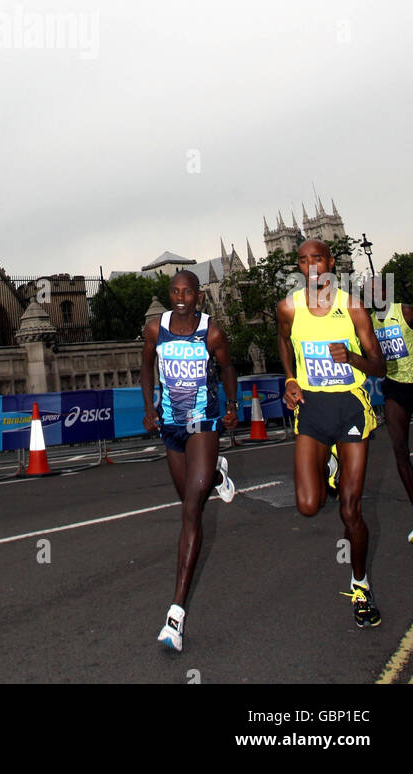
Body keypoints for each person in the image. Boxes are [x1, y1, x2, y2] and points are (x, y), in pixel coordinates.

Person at [276, 240, 385, 628]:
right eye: (303, 261)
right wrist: (289, 378)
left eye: (316, 258)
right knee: (307, 505)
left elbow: (379, 366)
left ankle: (360, 586)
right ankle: (331, 463)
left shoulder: (353, 306)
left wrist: (351, 358)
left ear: (330, 262)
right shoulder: (289, 306)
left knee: (350, 509)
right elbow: (283, 340)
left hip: (350, 406)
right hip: (313, 410)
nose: (310, 266)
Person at [141, 270, 238, 652]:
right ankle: (215, 474)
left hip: (203, 423)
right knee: (188, 497)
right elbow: (146, 366)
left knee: (191, 511)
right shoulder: (155, 329)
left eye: (187, 292)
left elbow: (228, 368)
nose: (180, 298)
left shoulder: (211, 333)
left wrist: (232, 406)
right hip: (171, 425)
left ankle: (176, 613)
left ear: (199, 296)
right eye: (174, 292)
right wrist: (149, 406)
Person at [368, 275, 413, 543]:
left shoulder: (407, 311)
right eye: (369, 291)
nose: (374, 294)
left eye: (378, 289)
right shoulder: (371, 322)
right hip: (395, 389)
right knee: (400, 451)